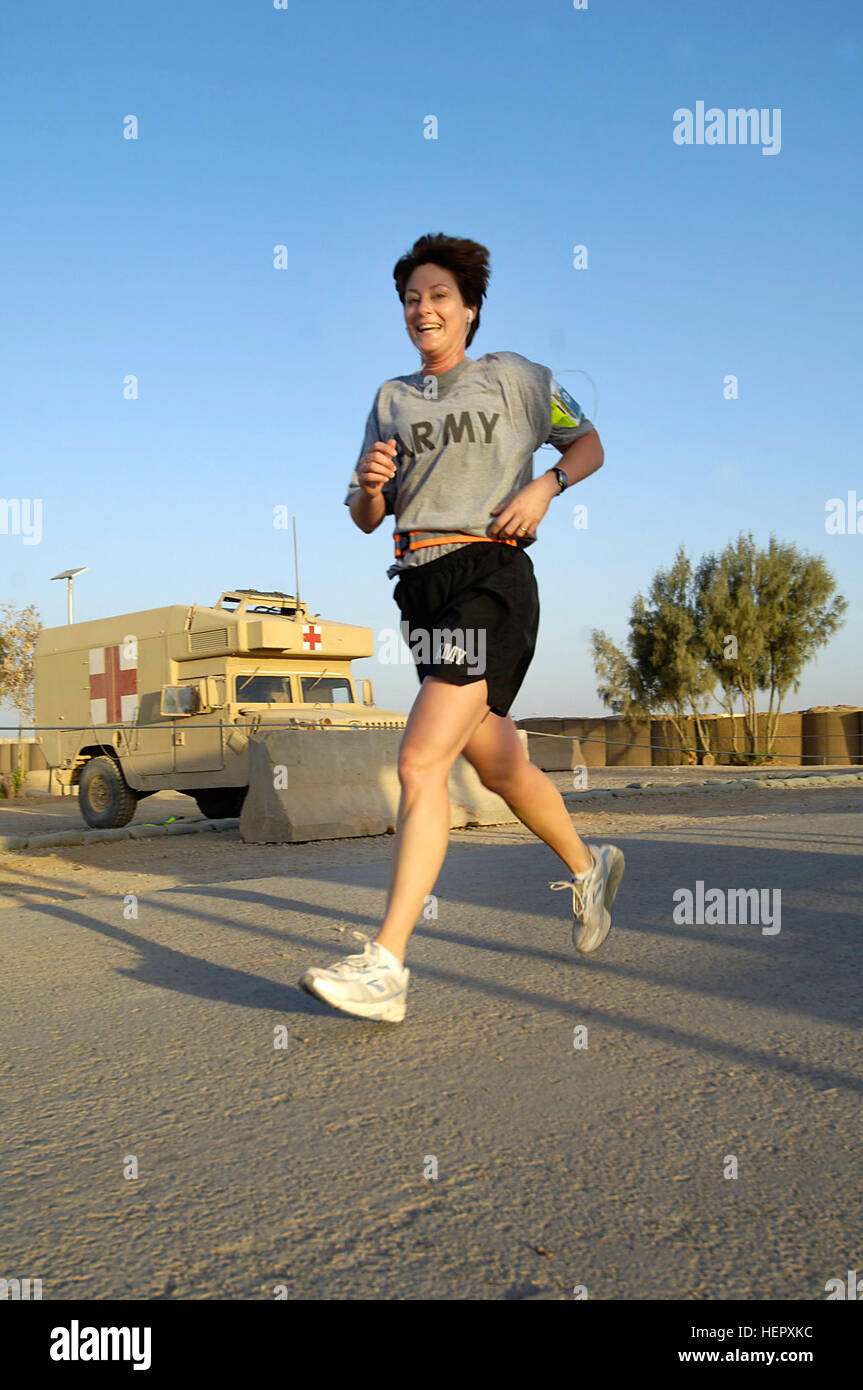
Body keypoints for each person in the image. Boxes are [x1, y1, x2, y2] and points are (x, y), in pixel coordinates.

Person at [300, 233, 624, 1023]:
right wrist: (371, 489)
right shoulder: (390, 398)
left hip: (490, 577)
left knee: (419, 761)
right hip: (420, 589)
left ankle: (388, 965)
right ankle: (589, 866)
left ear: (469, 307)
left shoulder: (514, 379)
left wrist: (545, 487)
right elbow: (364, 517)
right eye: (412, 298)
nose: (423, 309)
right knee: (498, 764)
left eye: (438, 295)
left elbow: (588, 443)